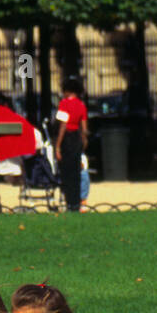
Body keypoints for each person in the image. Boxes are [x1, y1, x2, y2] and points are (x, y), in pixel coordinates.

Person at [54, 76, 88, 212]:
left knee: (66, 172)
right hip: (76, 139)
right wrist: (83, 142)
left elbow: (63, 125)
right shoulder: (81, 105)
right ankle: (76, 203)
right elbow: (84, 128)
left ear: (67, 90)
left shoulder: (63, 104)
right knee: (76, 172)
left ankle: (69, 203)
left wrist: (57, 145)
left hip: (67, 138)